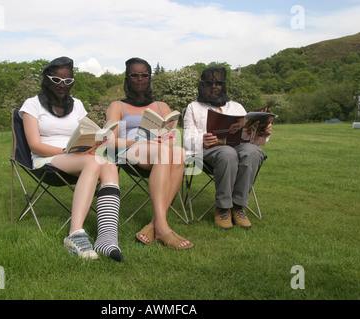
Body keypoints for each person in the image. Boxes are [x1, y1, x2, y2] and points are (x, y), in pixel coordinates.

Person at [19, 57, 123, 261]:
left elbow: (90, 129)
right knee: (93, 162)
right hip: (47, 159)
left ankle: (107, 237)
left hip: (77, 155)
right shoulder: (32, 105)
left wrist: (98, 140)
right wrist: (68, 151)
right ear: (47, 80)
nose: (62, 86)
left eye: (68, 81)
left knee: (108, 164)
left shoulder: (76, 105)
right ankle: (75, 234)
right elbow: (34, 145)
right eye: (57, 80)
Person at [107, 57, 193, 250]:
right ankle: (163, 228)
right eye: (134, 75)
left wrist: (165, 139)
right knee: (164, 152)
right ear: (127, 78)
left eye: (144, 75)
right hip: (131, 151)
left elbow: (171, 137)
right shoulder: (117, 106)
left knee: (178, 152)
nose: (140, 79)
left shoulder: (162, 106)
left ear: (149, 78)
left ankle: (155, 224)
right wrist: (143, 141)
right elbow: (110, 141)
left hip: (160, 150)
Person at [183, 66, 272, 230]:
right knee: (227, 152)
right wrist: (202, 140)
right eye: (210, 83)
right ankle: (223, 208)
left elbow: (250, 138)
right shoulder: (193, 107)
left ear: (224, 85)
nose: (214, 86)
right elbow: (187, 141)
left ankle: (238, 207)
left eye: (218, 83)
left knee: (252, 151)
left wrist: (262, 132)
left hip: (239, 149)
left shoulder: (236, 107)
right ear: (203, 85)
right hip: (209, 154)